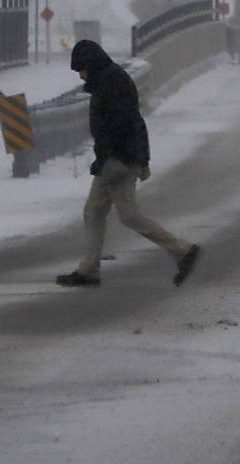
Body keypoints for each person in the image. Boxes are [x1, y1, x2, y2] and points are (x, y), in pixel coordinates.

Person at [56, 38, 200, 288]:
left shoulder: (110, 83)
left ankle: (183, 250)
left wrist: (125, 157)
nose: (80, 76)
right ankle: (89, 269)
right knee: (96, 212)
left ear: (90, 64)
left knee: (126, 215)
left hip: (118, 161)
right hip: (117, 159)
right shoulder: (110, 79)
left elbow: (126, 123)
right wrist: (141, 158)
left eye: (81, 69)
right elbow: (136, 121)